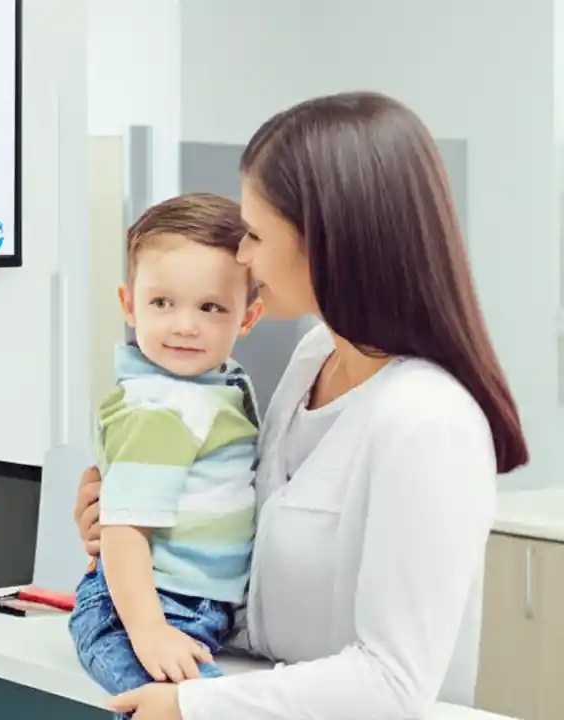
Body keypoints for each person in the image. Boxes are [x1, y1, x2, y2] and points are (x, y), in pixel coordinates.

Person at [74, 91, 529, 720]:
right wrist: (133, 516)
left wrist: (194, 706)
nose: (242, 256)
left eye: (255, 233)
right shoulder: (315, 355)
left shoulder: (428, 421)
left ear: (326, 238)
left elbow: (393, 683)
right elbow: (252, 537)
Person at [69, 193, 264, 708]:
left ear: (248, 317)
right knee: (176, 709)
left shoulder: (218, 388)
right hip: (141, 609)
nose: (184, 324)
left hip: (193, 610)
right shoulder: (160, 405)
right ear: (129, 304)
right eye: (162, 303)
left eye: (210, 307)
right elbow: (125, 528)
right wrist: (149, 631)